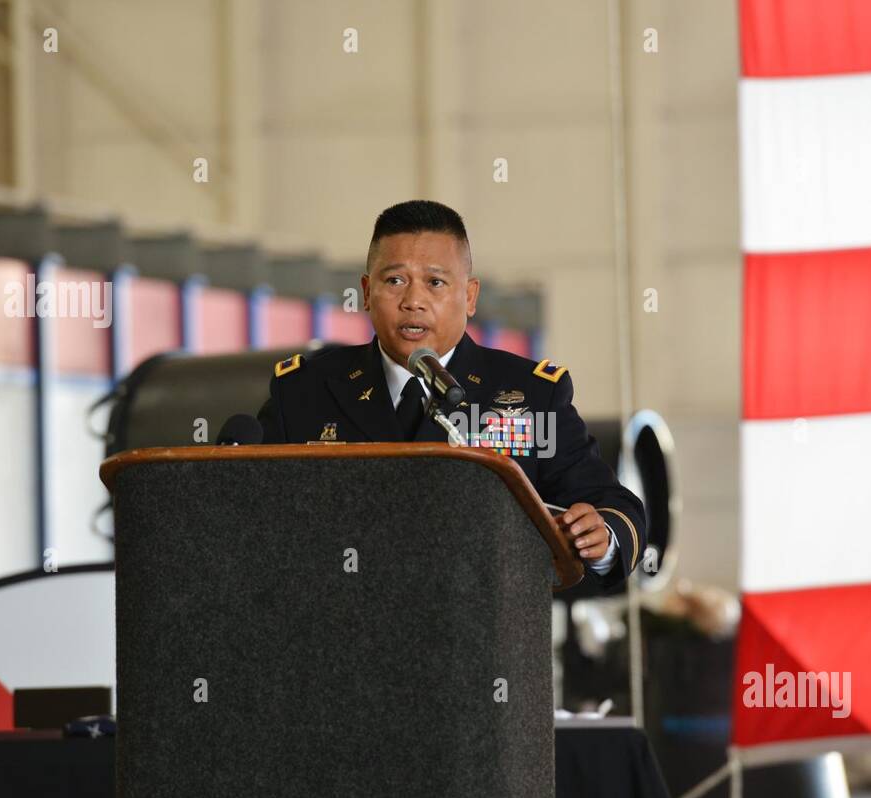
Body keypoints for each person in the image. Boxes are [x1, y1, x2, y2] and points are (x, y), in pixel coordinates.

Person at [256, 200, 645, 586]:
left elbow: (613, 506)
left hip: (480, 635)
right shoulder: (305, 390)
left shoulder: (530, 395)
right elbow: (254, 514)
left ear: (470, 295)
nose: (413, 301)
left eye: (435, 283)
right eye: (394, 281)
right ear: (366, 292)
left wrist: (601, 537)